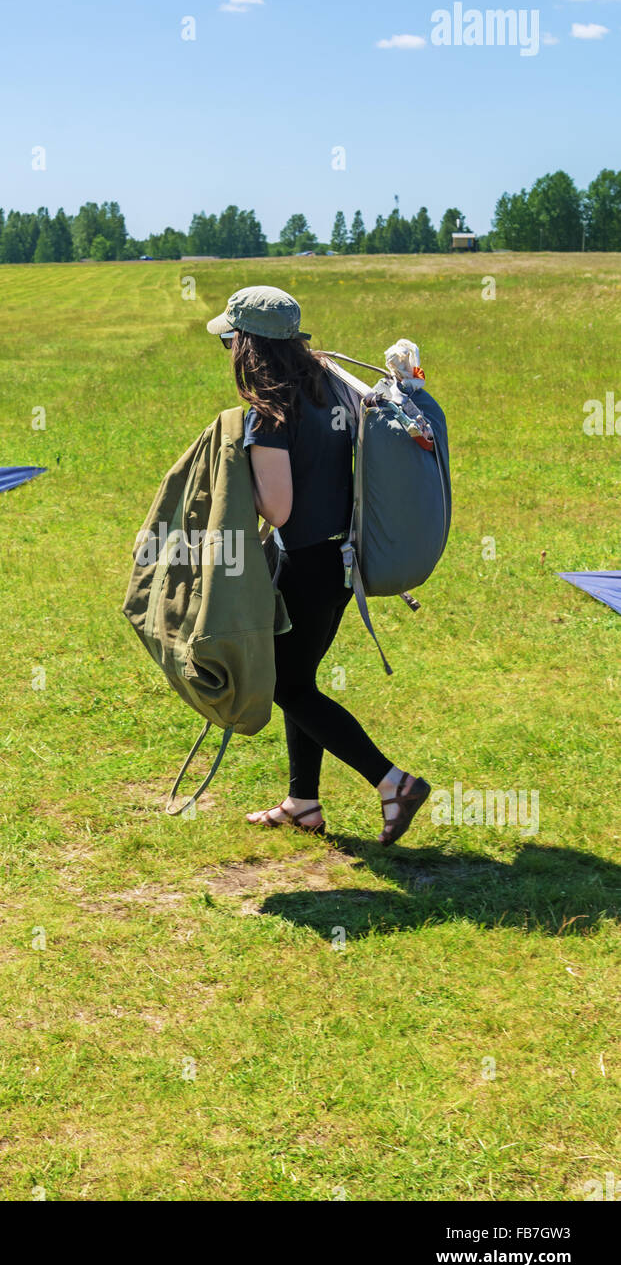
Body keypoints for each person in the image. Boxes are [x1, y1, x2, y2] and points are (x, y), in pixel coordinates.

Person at [205, 285, 430, 845]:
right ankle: (303, 803)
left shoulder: (268, 413)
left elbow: (277, 507)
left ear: (247, 344)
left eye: (229, 340)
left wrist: (231, 483)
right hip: (341, 561)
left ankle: (393, 782)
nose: (226, 349)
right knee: (298, 677)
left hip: (303, 562)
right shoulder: (330, 386)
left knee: (285, 684)